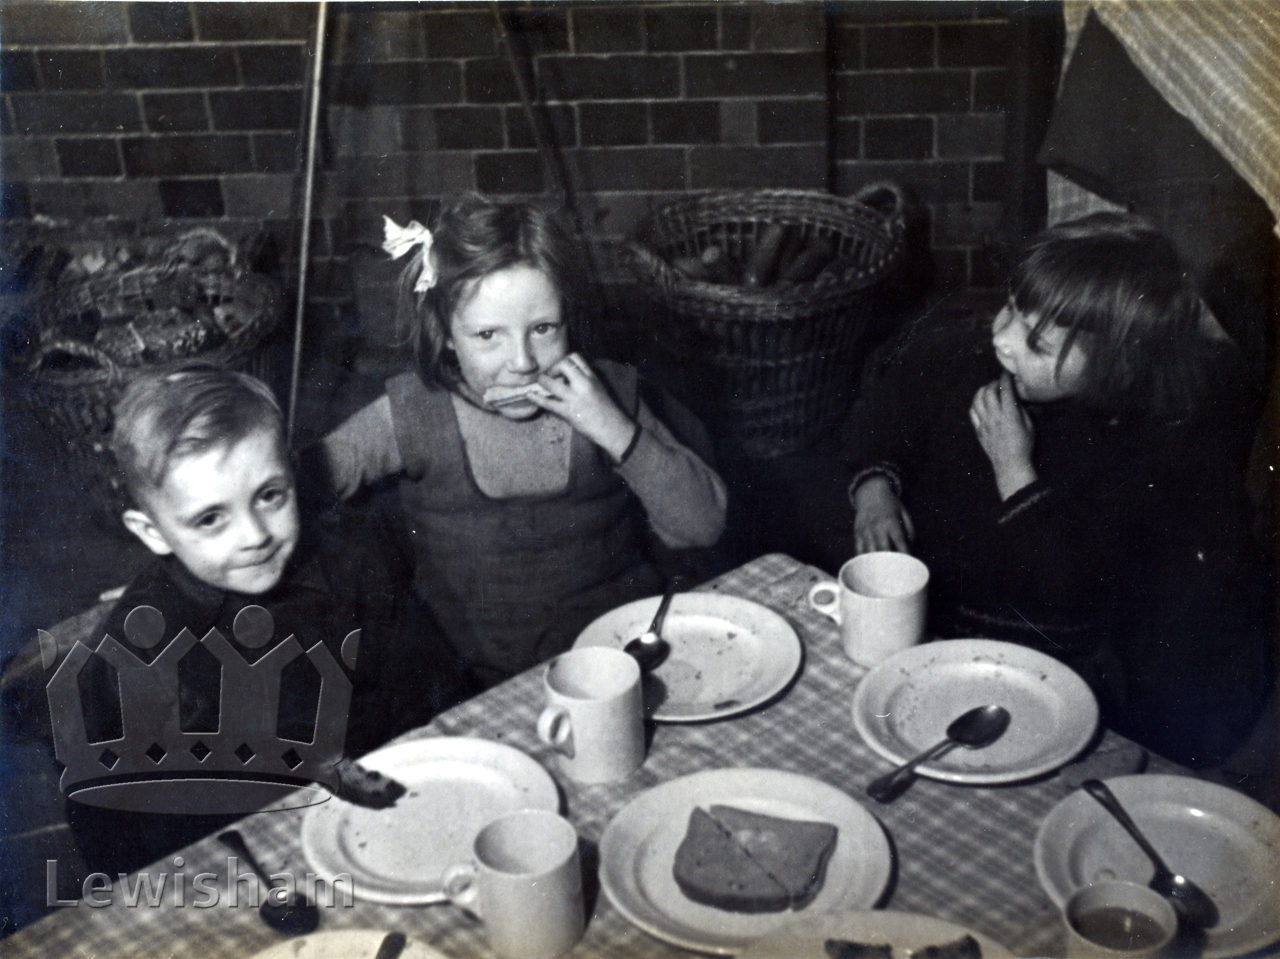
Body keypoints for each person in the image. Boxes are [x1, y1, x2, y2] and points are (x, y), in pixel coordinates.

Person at [844, 213, 1274, 768]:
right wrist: (875, 487)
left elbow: (1071, 594)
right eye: (1010, 310)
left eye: (1037, 343)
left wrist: (1013, 469)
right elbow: (889, 411)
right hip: (937, 622)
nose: (1000, 339)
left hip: (1050, 663)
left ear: (1116, 367)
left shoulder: (1139, 446)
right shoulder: (966, 363)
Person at [311, 194, 728, 688]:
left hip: (616, 657)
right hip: (472, 679)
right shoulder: (413, 414)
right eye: (488, 335)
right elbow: (306, 477)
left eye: (544, 328)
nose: (524, 361)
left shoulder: (607, 395)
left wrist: (613, 428)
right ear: (444, 332)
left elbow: (705, 525)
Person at [70, 364, 468, 874]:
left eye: (270, 496)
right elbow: (119, 831)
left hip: (388, 814)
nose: (255, 534)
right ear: (153, 532)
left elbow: (436, 689)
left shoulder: (356, 562)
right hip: (242, 863)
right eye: (211, 518)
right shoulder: (136, 654)